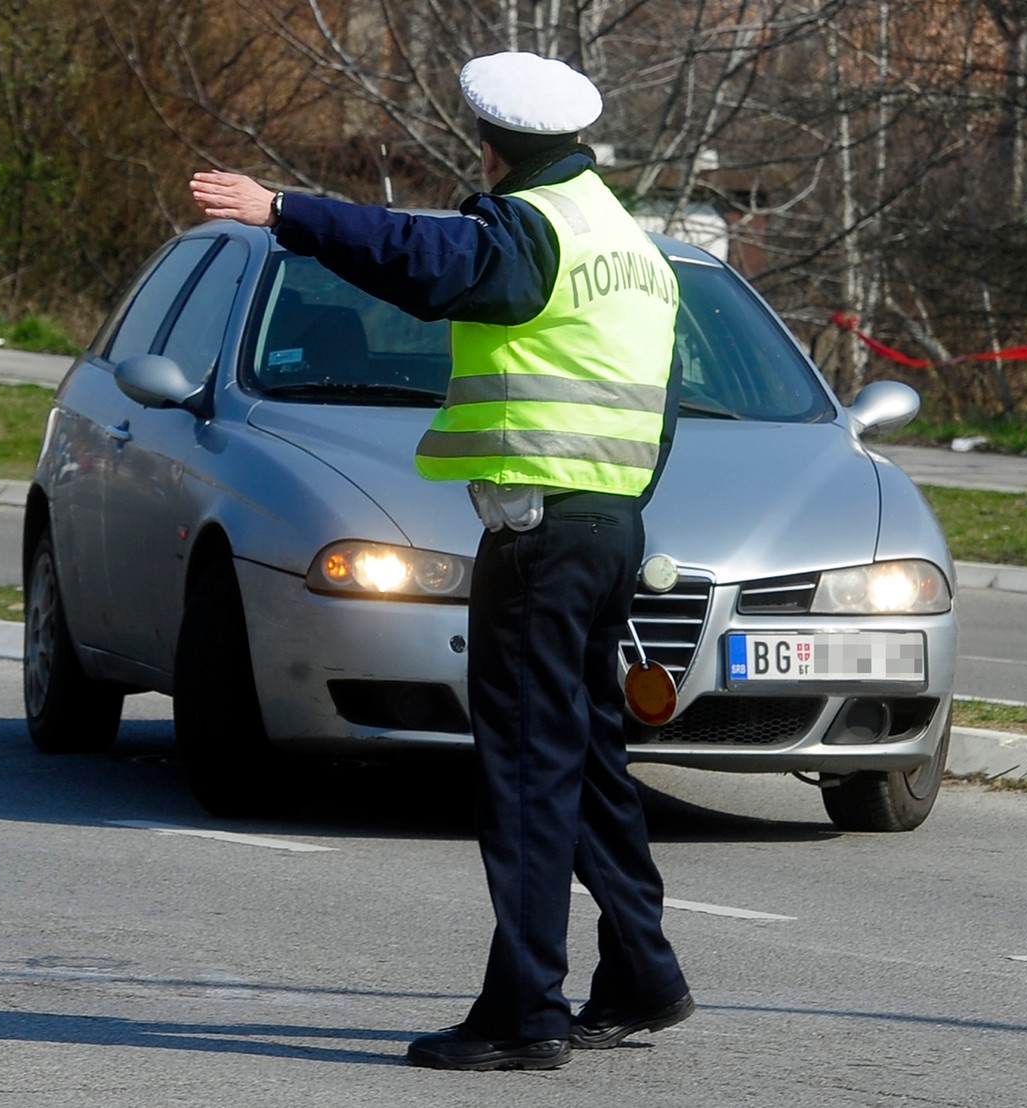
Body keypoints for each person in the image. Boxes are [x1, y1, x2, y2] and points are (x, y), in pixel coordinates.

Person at [190, 50, 692, 1072]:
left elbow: (422, 258)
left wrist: (285, 207)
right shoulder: (632, 245)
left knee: (522, 772)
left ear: (491, 141)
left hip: (540, 536)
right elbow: (660, 404)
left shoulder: (530, 230)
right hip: (611, 529)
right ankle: (641, 972)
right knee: (591, 760)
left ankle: (525, 1013)